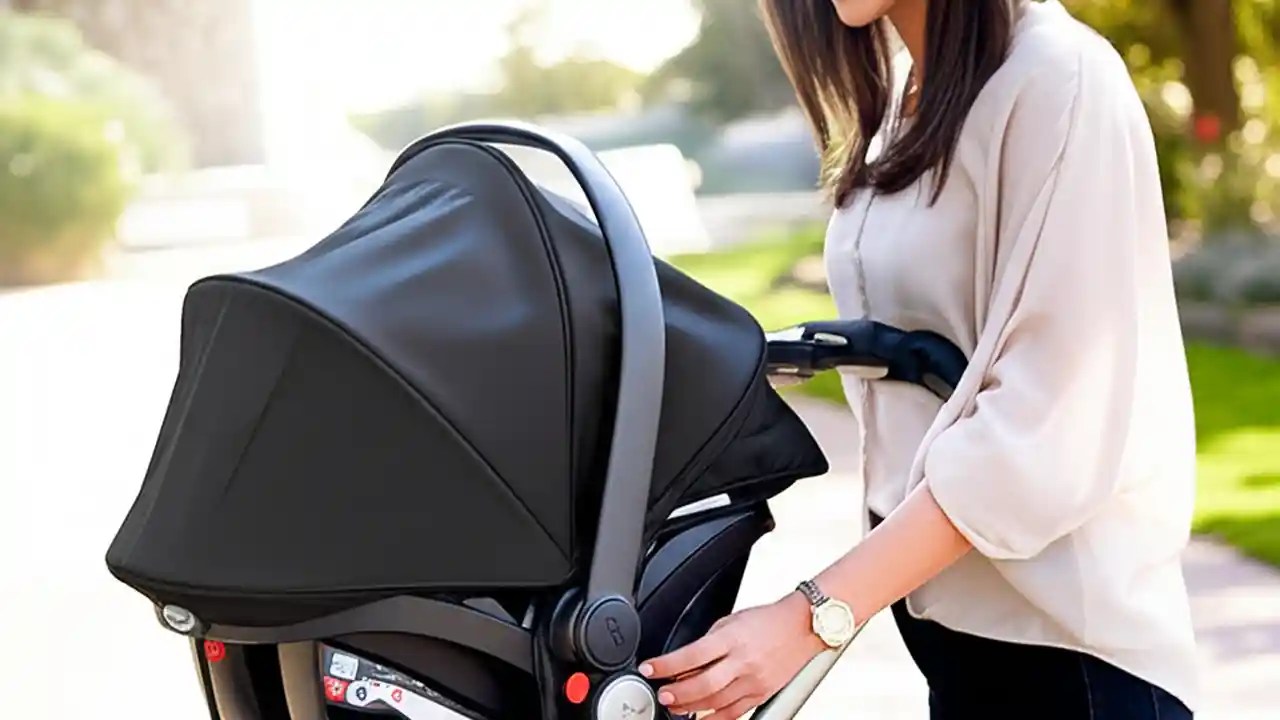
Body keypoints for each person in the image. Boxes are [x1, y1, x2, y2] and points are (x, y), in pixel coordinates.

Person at [637, 1, 1199, 718]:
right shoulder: (911, 101)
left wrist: (810, 617)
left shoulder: (1059, 79)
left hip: (1072, 660)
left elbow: (1052, 423)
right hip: (952, 639)